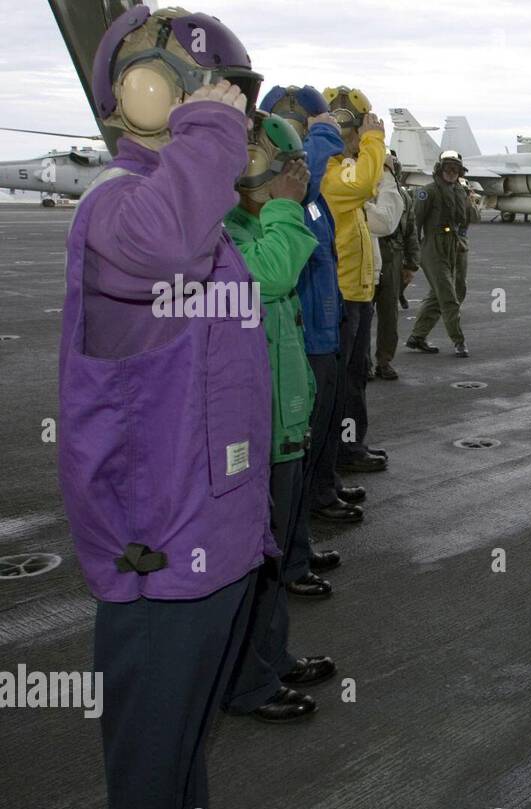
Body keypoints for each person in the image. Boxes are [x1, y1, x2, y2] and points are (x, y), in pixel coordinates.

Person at [62, 5, 287, 809]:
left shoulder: (203, 225)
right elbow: (164, 245)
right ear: (148, 93)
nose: (230, 112)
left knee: (186, 739)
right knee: (154, 769)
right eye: (214, 94)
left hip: (216, 536)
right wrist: (208, 132)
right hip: (160, 553)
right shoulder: (119, 213)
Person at [222, 111, 337, 723]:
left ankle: (272, 659)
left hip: (281, 423)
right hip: (252, 428)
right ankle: (247, 682)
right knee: (252, 562)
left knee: (271, 556)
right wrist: (287, 206)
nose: (298, 179)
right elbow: (270, 274)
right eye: (289, 169)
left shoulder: (261, 222)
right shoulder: (230, 234)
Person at [261, 84, 358, 589]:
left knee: (306, 457)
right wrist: (322, 127)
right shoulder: (286, 193)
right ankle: (287, 564)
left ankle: (298, 548)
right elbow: (312, 176)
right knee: (288, 469)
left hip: (321, 334)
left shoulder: (308, 199)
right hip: (303, 343)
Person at [321, 86, 387, 473]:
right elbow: (365, 182)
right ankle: (342, 452)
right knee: (344, 380)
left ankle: (351, 445)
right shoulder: (331, 174)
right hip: (341, 293)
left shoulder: (337, 169)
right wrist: (374, 139)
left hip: (356, 291)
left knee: (355, 375)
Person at [407, 149, 478, 357]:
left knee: (456, 290)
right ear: (440, 169)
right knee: (447, 296)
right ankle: (458, 341)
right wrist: (412, 253)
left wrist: (469, 199)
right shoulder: (427, 192)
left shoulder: (460, 191)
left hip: (457, 246)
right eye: (448, 168)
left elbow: (473, 218)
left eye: (455, 169)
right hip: (433, 247)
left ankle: (417, 337)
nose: (451, 172)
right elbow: (415, 223)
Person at [367, 152, 414, 380]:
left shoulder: (402, 197)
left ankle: (384, 361)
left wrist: (411, 265)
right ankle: (363, 361)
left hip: (392, 258)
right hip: (368, 255)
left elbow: (411, 232)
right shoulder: (364, 193)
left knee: (389, 315)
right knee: (363, 313)